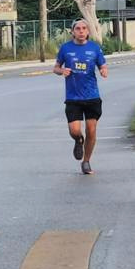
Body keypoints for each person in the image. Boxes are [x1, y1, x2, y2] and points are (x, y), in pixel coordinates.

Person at [53, 18, 108, 175]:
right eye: (78, 28)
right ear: (73, 31)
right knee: (74, 130)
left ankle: (86, 162)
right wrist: (61, 71)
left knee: (91, 130)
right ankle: (78, 140)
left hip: (92, 96)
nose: (81, 31)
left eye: (84, 28)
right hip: (73, 98)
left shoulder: (95, 48)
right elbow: (55, 68)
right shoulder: (65, 48)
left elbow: (102, 65)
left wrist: (104, 71)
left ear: (88, 31)